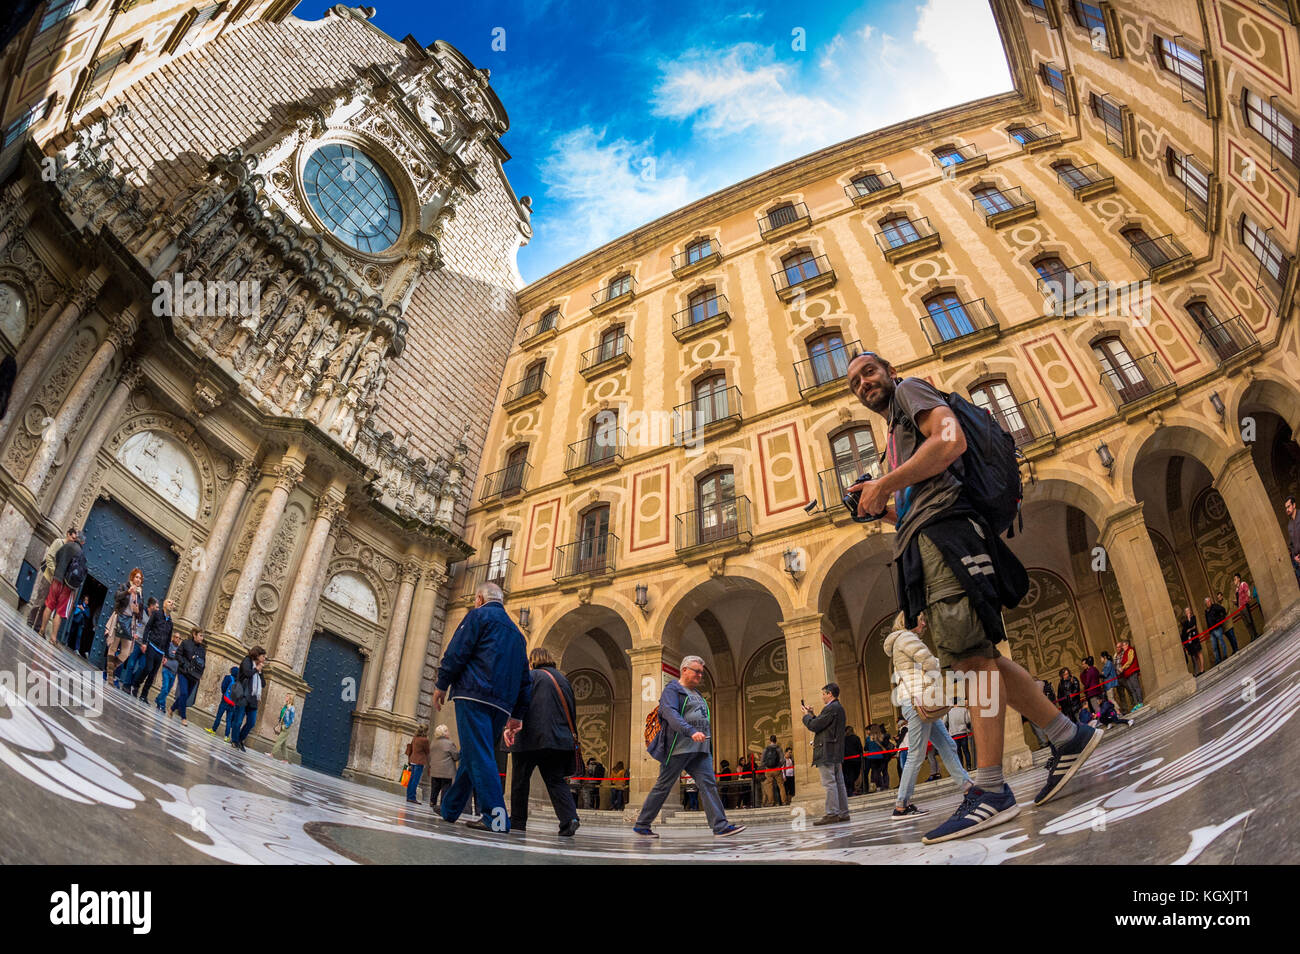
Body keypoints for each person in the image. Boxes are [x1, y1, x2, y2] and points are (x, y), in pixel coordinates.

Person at [846, 352, 1100, 844]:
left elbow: (949, 440)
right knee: (979, 658)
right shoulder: (895, 433)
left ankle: (989, 790)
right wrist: (879, 505)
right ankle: (1070, 737)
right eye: (854, 381)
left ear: (890, 371)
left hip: (949, 539)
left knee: (971, 661)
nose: (863, 384)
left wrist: (885, 484)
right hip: (931, 536)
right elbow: (916, 504)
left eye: (869, 372)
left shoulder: (910, 391)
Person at [433, 581, 531, 834]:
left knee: (481, 754)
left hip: (474, 695)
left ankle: (495, 818)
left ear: (479, 598)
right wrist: (517, 714)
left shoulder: (477, 616)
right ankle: (451, 809)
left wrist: (442, 682)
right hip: (502, 706)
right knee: (474, 753)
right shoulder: (518, 635)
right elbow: (524, 679)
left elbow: (457, 651)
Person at [634, 654, 743, 837]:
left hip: (700, 750)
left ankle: (720, 826)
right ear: (684, 670)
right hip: (678, 749)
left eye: (702, 672)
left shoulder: (697, 693)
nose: (700, 675)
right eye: (697, 672)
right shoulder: (672, 690)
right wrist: (691, 731)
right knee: (663, 786)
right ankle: (642, 824)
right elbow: (671, 714)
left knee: (708, 784)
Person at [885, 612, 972, 820]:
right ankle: (901, 805)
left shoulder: (901, 640)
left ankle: (968, 787)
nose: (924, 623)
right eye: (922, 619)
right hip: (918, 702)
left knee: (948, 745)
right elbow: (929, 662)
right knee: (916, 754)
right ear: (911, 621)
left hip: (917, 702)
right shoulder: (907, 638)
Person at [505, 647, 581, 835]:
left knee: (520, 780)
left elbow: (520, 702)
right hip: (558, 739)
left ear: (533, 660)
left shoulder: (532, 676)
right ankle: (569, 818)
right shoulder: (563, 680)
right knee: (555, 780)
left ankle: (518, 821)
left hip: (529, 738)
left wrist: (510, 726)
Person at [801, 681, 850, 825]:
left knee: (829, 783)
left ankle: (832, 813)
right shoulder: (837, 708)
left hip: (827, 751)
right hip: (835, 751)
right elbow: (824, 725)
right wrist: (811, 713)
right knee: (838, 782)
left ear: (830, 694)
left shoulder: (831, 708)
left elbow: (814, 726)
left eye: (823, 694)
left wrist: (806, 716)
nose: (822, 697)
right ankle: (843, 812)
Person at [38, 529, 84, 644]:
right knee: (59, 611)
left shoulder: (66, 546)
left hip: (56, 579)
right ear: (83, 542)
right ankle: (53, 638)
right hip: (67, 585)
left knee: (49, 604)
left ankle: (42, 630)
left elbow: (57, 556)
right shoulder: (80, 553)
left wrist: (58, 570)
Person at [28, 529, 74, 631]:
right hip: (49, 577)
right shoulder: (58, 542)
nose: (73, 540)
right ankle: (30, 620)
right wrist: (55, 573)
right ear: (68, 534)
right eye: (72, 538)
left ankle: (38, 626)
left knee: (47, 604)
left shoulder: (69, 549)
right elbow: (49, 557)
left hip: (56, 582)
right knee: (40, 599)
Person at [132, 598, 175, 704]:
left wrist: (166, 655)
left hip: (160, 652)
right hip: (151, 645)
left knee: (153, 674)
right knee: (148, 668)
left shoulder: (170, 623)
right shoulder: (156, 614)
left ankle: (144, 695)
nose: (171, 604)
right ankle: (136, 684)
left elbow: (168, 640)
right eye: (169, 602)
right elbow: (148, 628)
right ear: (164, 604)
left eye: (173, 603)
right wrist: (144, 642)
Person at [228, 646, 266, 752]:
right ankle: (235, 740)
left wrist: (260, 672)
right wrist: (256, 669)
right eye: (263, 656)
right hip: (243, 695)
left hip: (253, 698)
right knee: (238, 720)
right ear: (257, 655)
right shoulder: (247, 661)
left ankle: (240, 739)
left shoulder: (259, 668)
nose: (264, 659)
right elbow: (246, 673)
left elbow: (263, 684)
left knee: (251, 722)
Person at [117, 597, 156, 692]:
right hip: (137, 641)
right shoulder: (142, 611)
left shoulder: (155, 617)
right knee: (131, 664)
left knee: (142, 667)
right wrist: (133, 632)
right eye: (156, 606)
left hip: (145, 645)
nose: (157, 608)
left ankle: (132, 681)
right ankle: (126, 685)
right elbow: (134, 620)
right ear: (151, 605)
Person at [171, 628, 205, 725]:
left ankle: (172, 708)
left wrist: (200, 674)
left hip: (194, 676)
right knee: (184, 693)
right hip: (184, 672)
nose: (202, 638)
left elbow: (203, 663)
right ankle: (183, 717)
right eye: (200, 635)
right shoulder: (186, 643)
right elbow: (178, 654)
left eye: (203, 636)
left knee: (185, 696)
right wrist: (184, 664)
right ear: (194, 634)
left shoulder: (202, 650)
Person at [427, 724, 458, 809]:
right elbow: (456, 756)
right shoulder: (450, 743)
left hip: (435, 770)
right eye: (447, 730)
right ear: (444, 733)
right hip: (446, 771)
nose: (449, 732)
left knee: (435, 788)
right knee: (445, 789)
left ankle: (432, 802)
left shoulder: (433, 743)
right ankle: (442, 805)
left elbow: (430, 756)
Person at [153, 628, 184, 713]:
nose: (178, 639)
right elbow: (170, 654)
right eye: (176, 637)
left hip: (174, 672)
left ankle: (158, 699)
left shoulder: (180, 649)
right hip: (166, 669)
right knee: (165, 688)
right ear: (173, 637)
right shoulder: (169, 645)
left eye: (179, 638)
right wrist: (176, 655)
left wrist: (176, 655)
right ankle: (162, 705)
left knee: (168, 690)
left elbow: (180, 658)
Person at [206, 665, 240, 738]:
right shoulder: (238, 682)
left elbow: (223, 687)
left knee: (219, 716)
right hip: (232, 704)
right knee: (228, 720)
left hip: (225, 700)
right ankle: (226, 736)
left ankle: (213, 730)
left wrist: (225, 694)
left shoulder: (228, 678)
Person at [404, 725, 429, 802]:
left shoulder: (415, 738)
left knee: (411, 779)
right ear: (425, 731)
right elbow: (427, 751)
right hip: (419, 761)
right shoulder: (425, 740)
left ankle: (409, 796)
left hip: (412, 760)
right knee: (415, 780)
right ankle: (412, 797)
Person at [1117, 640, 1144, 711]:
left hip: (1132, 671)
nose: (1122, 647)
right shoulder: (1124, 652)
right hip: (1127, 674)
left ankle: (1140, 702)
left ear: (1127, 645)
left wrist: (1122, 668)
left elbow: (1130, 660)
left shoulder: (1130, 650)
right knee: (1132, 689)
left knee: (1136, 687)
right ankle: (1136, 703)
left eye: (1123, 645)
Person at [760, 734, 786, 806]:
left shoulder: (766, 749)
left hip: (768, 770)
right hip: (777, 769)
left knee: (769, 786)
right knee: (781, 785)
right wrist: (779, 766)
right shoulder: (779, 748)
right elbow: (783, 760)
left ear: (770, 740)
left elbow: (762, 761)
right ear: (776, 740)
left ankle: (771, 802)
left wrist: (766, 767)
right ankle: (784, 801)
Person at [1204, 595, 1229, 665]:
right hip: (1211, 631)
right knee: (1214, 646)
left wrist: (1221, 620)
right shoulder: (1206, 611)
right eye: (1206, 602)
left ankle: (1225, 655)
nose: (1208, 603)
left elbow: (1223, 610)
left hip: (1217, 628)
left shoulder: (1215, 606)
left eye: (1209, 601)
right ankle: (1217, 659)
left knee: (1221, 642)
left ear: (1210, 601)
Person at [947, 702, 973, 771]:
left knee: (958, 752)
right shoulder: (964, 710)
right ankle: (969, 766)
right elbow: (968, 720)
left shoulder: (948, 712)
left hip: (953, 735)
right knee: (966, 750)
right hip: (963, 733)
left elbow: (944, 722)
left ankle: (961, 768)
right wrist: (969, 729)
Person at [271, 693, 297, 760]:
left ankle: (272, 754)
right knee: (283, 744)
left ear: (290, 698)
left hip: (286, 727)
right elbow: (282, 715)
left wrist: (286, 726)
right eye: (286, 696)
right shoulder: (285, 706)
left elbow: (292, 720)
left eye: (287, 696)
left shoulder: (292, 708)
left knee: (279, 740)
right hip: (281, 725)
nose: (286, 697)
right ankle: (286, 759)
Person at [1179, 607, 1204, 676]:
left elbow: (1193, 625)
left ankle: (1202, 669)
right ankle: (1199, 670)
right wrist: (1190, 628)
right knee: (1195, 655)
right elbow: (1185, 630)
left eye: (1188, 611)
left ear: (1190, 611)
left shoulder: (1193, 618)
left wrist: (1190, 628)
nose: (1187, 612)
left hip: (1195, 638)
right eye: (1186, 611)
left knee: (1199, 653)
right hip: (1191, 641)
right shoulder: (1186, 621)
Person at [1233, 573, 1256, 639]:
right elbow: (1238, 599)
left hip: (1245, 605)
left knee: (1249, 620)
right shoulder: (1236, 590)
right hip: (1240, 608)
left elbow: (1247, 592)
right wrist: (1235, 602)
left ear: (1239, 579)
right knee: (1246, 622)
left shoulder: (1243, 584)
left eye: (1235, 579)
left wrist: (1246, 601)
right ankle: (1251, 635)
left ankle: (1255, 633)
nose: (1234, 580)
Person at [843, 725, 864, 796]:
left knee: (847, 775)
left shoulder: (843, 739)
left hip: (846, 760)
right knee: (853, 775)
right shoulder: (856, 738)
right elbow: (860, 749)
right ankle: (851, 790)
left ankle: (849, 790)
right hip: (855, 760)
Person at [1216, 591, 1239, 656]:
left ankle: (1236, 648)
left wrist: (1220, 613)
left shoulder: (1225, 602)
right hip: (1224, 626)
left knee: (1232, 636)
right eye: (1218, 598)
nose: (1219, 598)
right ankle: (1234, 649)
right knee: (1229, 638)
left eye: (1220, 597)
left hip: (1228, 623)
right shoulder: (1218, 605)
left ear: (1222, 596)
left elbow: (1225, 611)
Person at [1286, 495, 1300, 587]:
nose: (1287, 509)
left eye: (1288, 506)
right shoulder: (1289, 525)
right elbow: (1291, 544)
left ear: (1294, 505)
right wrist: (1295, 557)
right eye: (1286, 508)